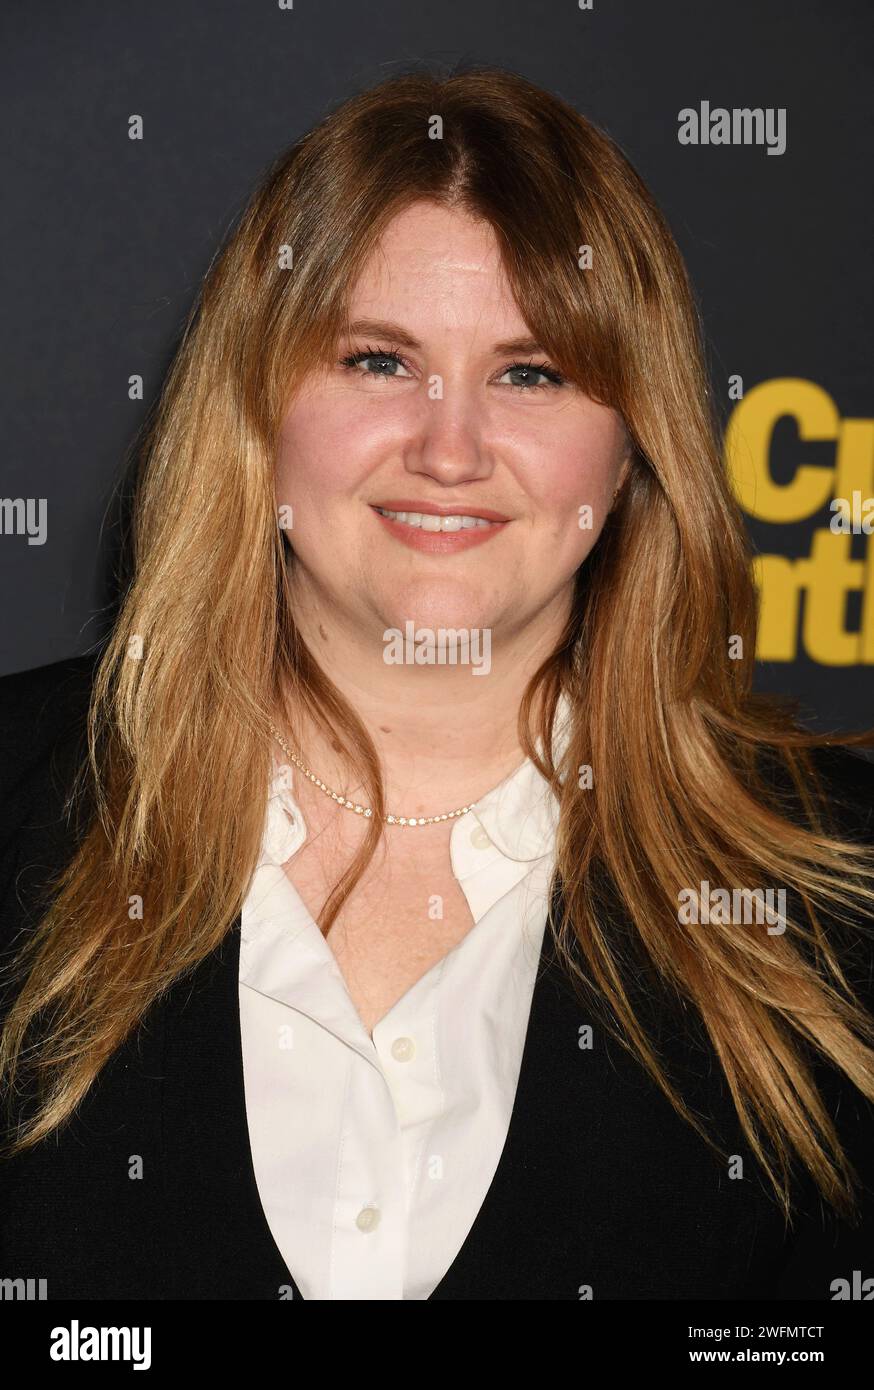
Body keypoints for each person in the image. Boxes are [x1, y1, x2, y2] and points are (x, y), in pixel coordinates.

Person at [1, 66, 873, 1302]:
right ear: (254, 401)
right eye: (376, 361)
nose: (449, 449)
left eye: (532, 374)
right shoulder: (23, 801)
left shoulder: (830, 899)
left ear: (632, 445)